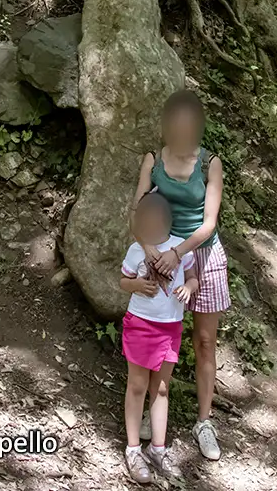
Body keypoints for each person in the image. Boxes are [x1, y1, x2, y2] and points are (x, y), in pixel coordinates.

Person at [134, 89, 229, 462]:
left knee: (205, 341)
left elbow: (209, 224)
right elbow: (138, 211)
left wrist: (178, 253)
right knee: (160, 341)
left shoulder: (210, 164)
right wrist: (150, 250)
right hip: (161, 255)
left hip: (201, 257)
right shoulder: (153, 160)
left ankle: (204, 422)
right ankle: (152, 414)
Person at [120, 193, 198, 483]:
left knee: (161, 388)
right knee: (138, 385)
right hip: (141, 324)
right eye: (145, 224)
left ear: (168, 223)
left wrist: (190, 287)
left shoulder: (180, 247)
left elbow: (192, 277)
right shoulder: (136, 251)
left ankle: (158, 448)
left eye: (156, 224)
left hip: (171, 327)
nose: (151, 229)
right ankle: (132, 449)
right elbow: (123, 281)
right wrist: (137, 284)